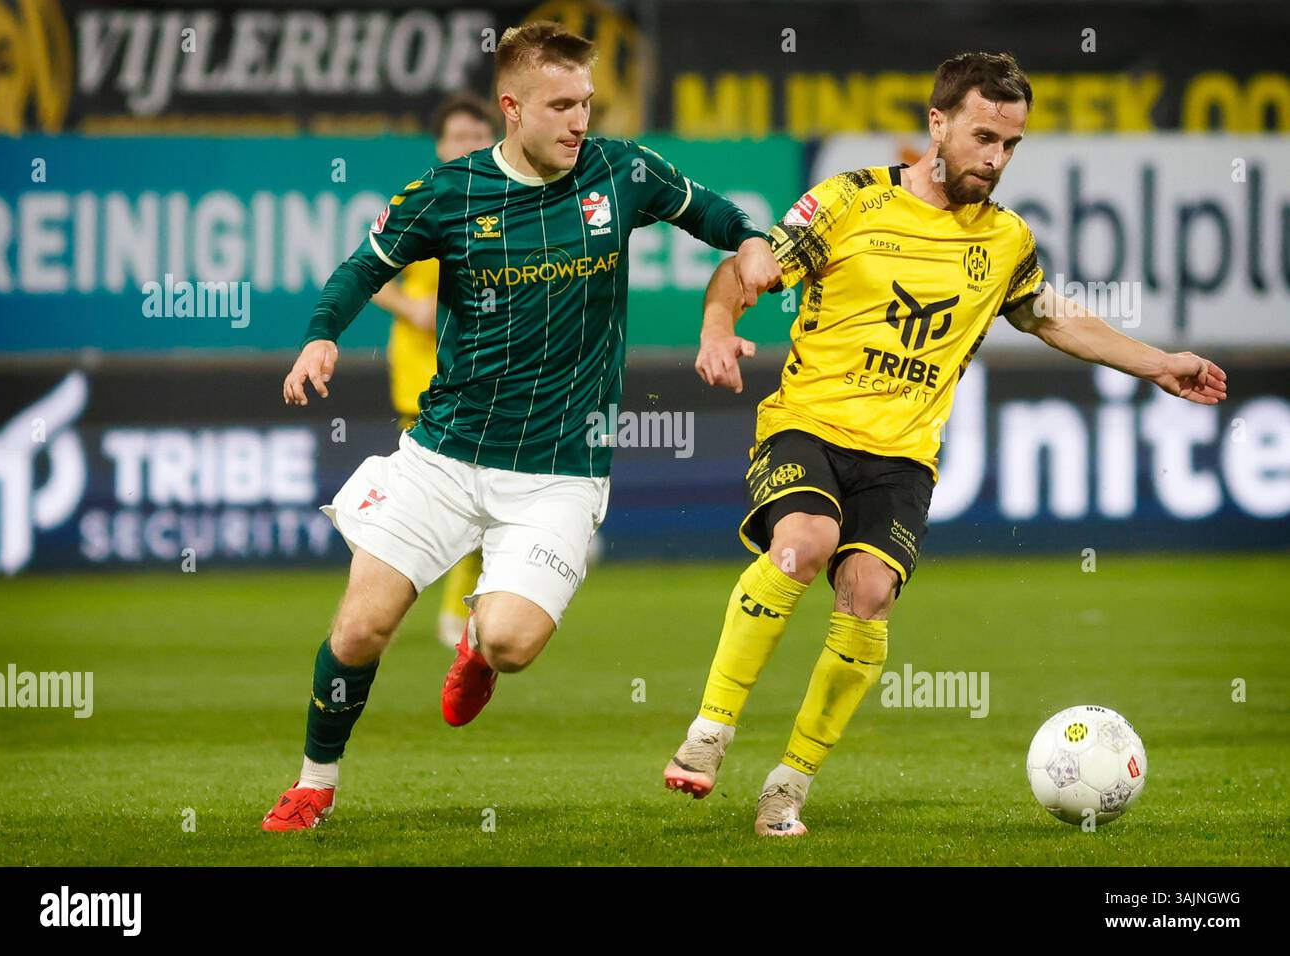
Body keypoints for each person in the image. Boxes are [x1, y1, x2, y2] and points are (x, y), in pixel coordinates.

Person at [663, 51, 1228, 837]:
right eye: (983, 136)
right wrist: (718, 329)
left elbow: (1053, 317)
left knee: (868, 596)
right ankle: (711, 731)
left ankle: (787, 786)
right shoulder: (846, 202)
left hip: (903, 457)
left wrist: (1161, 361)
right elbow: (742, 272)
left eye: (1010, 145)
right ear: (938, 123)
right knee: (804, 543)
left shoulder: (1005, 241)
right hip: (808, 425)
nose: (995, 159)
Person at [264, 20, 780, 831]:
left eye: (588, 102)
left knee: (510, 644)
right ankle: (314, 783)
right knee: (361, 628)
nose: (580, 120)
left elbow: (720, 215)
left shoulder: (622, 171)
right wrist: (322, 333)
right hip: (443, 455)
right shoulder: (451, 192)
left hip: (559, 471)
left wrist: (750, 243)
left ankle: (476, 643)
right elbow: (363, 267)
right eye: (562, 104)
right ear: (512, 106)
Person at [370, 93, 496, 648]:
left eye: (476, 136)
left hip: (483, 378)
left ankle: (455, 610)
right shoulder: (422, 204)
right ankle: (389, 601)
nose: (467, 146)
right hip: (421, 377)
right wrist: (414, 307)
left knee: (484, 503)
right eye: (458, 137)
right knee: (430, 506)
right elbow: (370, 277)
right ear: (441, 145)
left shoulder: (505, 206)